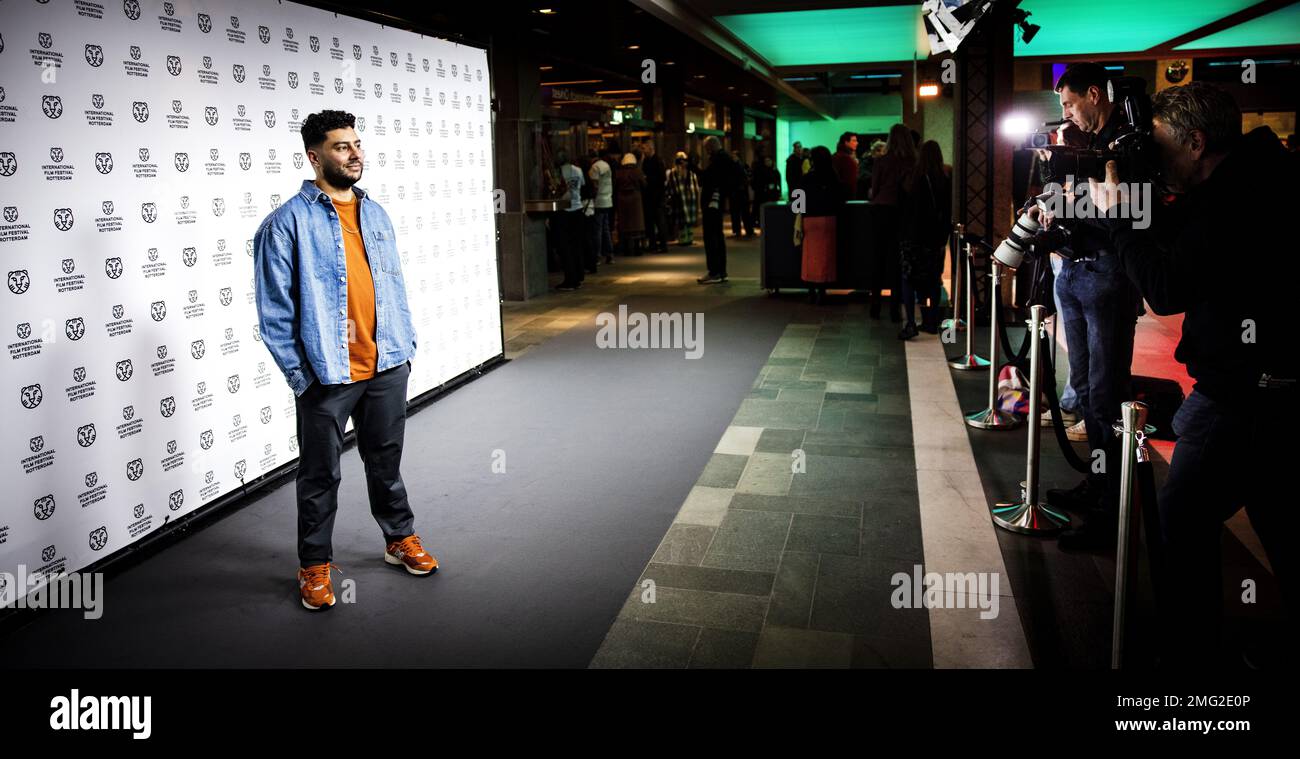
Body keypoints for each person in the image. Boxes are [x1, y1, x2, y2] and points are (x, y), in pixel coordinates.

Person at [1090, 82, 1296, 667]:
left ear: (1197, 141)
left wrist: (1121, 218)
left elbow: (1166, 289)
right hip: (1272, 385)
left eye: (1162, 146)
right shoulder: (1263, 174)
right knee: (1279, 518)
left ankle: (1190, 662)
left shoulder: (1236, 199)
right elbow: (1186, 249)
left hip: (1243, 390)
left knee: (1182, 517)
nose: (1157, 158)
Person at [253, 110, 435, 611]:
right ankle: (314, 564)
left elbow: (391, 286)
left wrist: (403, 346)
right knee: (319, 475)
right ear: (314, 156)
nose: (355, 154)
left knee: (386, 463)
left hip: (386, 366)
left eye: (357, 144)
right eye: (341, 146)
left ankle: (400, 538)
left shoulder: (375, 214)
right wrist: (304, 379)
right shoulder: (283, 223)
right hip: (328, 376)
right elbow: (274, 313)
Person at [1033, 63, 1143, 550]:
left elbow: (1130, 208)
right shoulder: (1079, 144)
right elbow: (1085, 200)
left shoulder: (1131, 140)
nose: (1066, 113)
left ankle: (1115, 512)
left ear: (1094, 94)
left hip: (1106, 272)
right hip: (1072, 268)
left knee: (1106, 393)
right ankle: (1099, 483)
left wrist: (1075, 205)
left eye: (1069, 102)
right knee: (1080, 383)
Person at [897, 140, 951, 339]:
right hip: (934, 237)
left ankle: (911, 322)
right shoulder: (944, 178)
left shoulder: (910, 178)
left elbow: (901, 206)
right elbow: (946, 211)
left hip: (911, 236)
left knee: (908, 279)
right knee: (933, 279)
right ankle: (931, 321)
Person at [868, 123, 917, 321]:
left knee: (878, 259)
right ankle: (895, 308)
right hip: (902, 212)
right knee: (898, 260)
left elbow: (875, 188)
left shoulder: (881, 161)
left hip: (881, 210)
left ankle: (875, 305)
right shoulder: (912, 161)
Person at [797, 146, 844, 302]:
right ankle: (822, 292)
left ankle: (810, 291)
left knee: (809, 256)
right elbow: (840, 199)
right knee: (826, 256)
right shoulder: (833, 176)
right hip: (829, 220)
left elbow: (797, 201)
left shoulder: (807, 178)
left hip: (810, 220)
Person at [697, 136, 737, 284]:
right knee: (718, 236)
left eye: (706, 148)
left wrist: (694, 167)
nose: (706, 152)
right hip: (718, 203)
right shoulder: (725, 159)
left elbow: (707, 178)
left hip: (712, 204)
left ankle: (714, 271)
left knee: (711, 237)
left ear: (710, 147)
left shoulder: (718, 160)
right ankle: (721, 271)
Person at [553, 149, 586, 291]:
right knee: (576, 245)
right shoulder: (578, 170)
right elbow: (582, 186)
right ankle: (579, 275)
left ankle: (570, 279)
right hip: (578, 209)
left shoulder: (560, 173)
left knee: (565, 247)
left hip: (565, 211)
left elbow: (559, 192)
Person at [640, 138, 669, 253]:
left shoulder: (657, 160)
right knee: (650, 222)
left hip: (657, 196)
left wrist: (648, 179)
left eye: (644, 148)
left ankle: (662, 245)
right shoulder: (646, 161)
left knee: (658, 221)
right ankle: (653, 244)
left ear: (651, 148)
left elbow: (662, 178)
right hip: (650, 196)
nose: (643, 150)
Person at [614, 152, 646, 256]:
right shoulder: (637, 172)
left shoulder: (619, 172)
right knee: (636, 224)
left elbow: (615, 185)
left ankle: (627, 249)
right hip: (635, 199)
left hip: (622, 200)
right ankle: (637, 248)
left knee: (625, 224)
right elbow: (644, 184)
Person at [665, 150, 700, 246]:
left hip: (689, 198)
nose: (682, 162)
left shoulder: (690, 172)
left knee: (688, 221)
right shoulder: (673, 172)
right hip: (680, 198)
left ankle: (689, 238)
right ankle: (683, 239)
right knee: (682, 220)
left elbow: (695, 184)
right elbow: (671, 186)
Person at [588, 146, 615, 264]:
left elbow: (595, 185)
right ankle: (610, 254)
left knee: (597, 230)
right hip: (608, 199)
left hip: (598, 201)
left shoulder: (595, 167)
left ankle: (597, 255)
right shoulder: (606, 165)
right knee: (606, 228)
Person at [751, 153, 781, 230]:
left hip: (773, 194)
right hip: (766, 194)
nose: (767, 162)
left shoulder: (775, 170)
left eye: (768, 161)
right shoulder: (762, 171)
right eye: (766, 161)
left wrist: (779, 192)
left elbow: (778, 182)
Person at [729, 149, 753, 238]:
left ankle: (748, 230)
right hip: (736, 192)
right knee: (736, 213)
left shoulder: (742, 166)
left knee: (744, 212)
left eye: (735, 156)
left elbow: (748, 176)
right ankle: (738, 230)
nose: (733, 158)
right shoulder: (733, 166)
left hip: (741, 192)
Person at [831, 131, 859, 199]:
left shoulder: (836, 155)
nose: (857, 143)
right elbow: (849, 183)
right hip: (845, 198)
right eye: (854, 141)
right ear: (846, 142)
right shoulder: (846, 158)